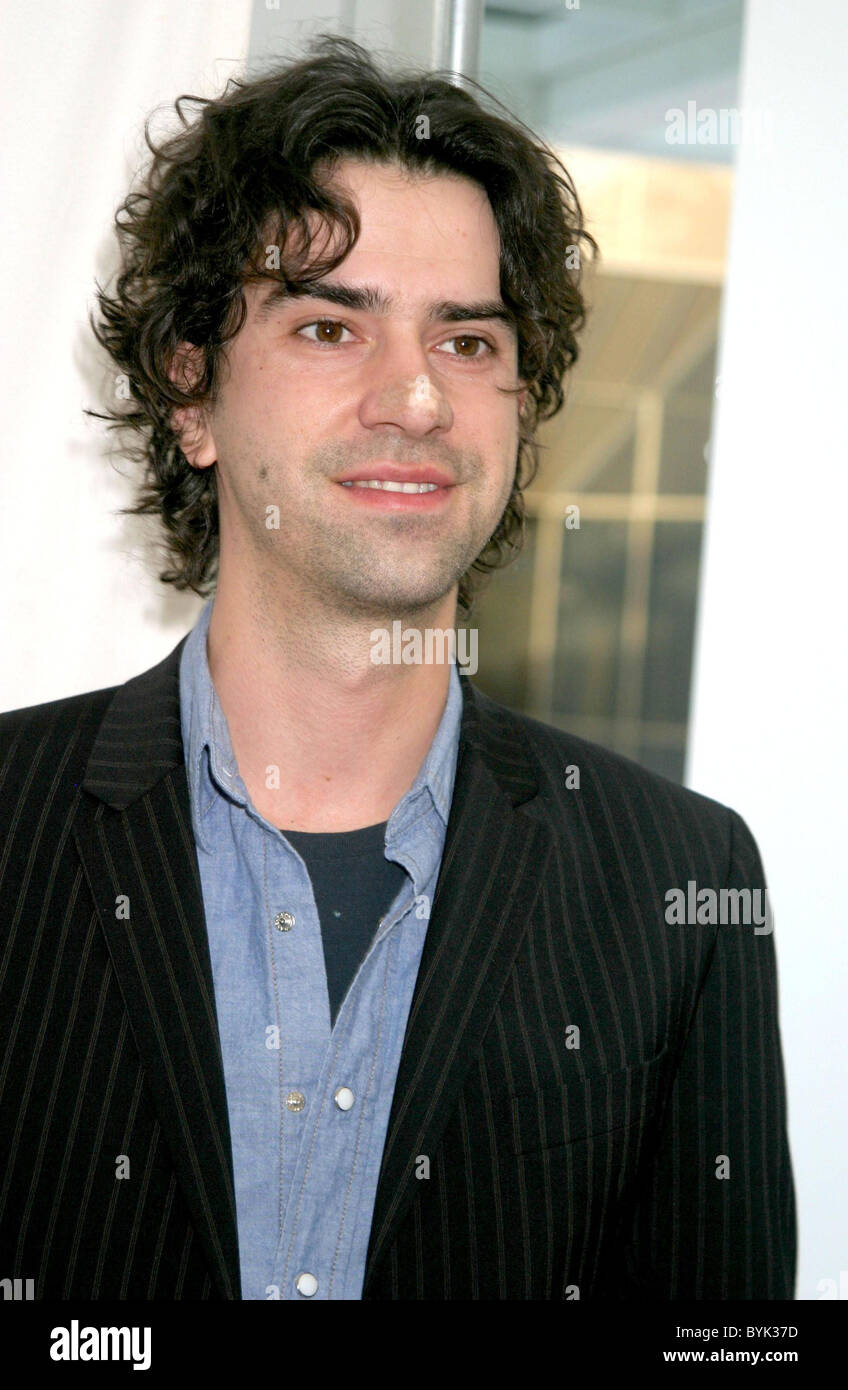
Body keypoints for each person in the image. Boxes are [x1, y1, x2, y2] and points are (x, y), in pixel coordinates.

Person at [0, 34, 795, 1301]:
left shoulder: (676, 885)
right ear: (191, 395)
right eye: (330, 327)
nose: (415, 399)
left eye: (467, 342)